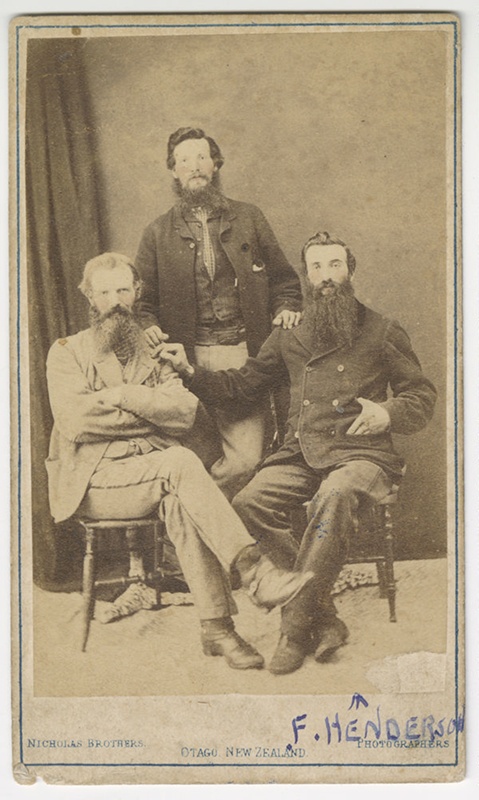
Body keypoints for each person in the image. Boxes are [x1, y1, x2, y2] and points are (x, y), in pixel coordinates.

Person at [158, 232, 437, 675]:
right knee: (248, 503)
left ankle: (294, 628)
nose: (326, 277)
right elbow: (242, 385)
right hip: (302, 452)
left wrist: (386, 413)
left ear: (350, 270)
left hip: (362, 456)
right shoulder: (290, 333)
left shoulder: (381, 328)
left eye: (335, 266)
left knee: (334, 496)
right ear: (307, 276)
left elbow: (420, 396)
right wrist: (190, 372)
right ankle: (323, 614)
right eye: (317, 268)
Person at [45, 252, 313, 670]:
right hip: (95, 482)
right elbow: (76, 421)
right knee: (179, 460)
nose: (114, 300)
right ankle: (255, 571)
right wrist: (149, 415)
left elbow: (184, 412)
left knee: (180, 499)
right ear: (89, 298)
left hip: (152, 476)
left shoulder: (153, 354)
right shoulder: (66, 353)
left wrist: (123, 397)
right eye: (104, 292)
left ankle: (217, 628)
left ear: (136, 293)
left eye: (122, 290)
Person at [135, 126, 303, 498]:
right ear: (173, 171)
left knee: (244, 461)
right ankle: (209, 545)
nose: (193, 166)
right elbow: (141, 302)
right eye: (183, 160)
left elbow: (285, 281)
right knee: (196, 456)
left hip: (240, 356)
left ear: (214, 164)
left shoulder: (249, 218)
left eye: (200, 157)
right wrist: (147, 324)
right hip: (183, 360)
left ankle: (195, 527)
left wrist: (287, 307)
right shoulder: (157, 233)